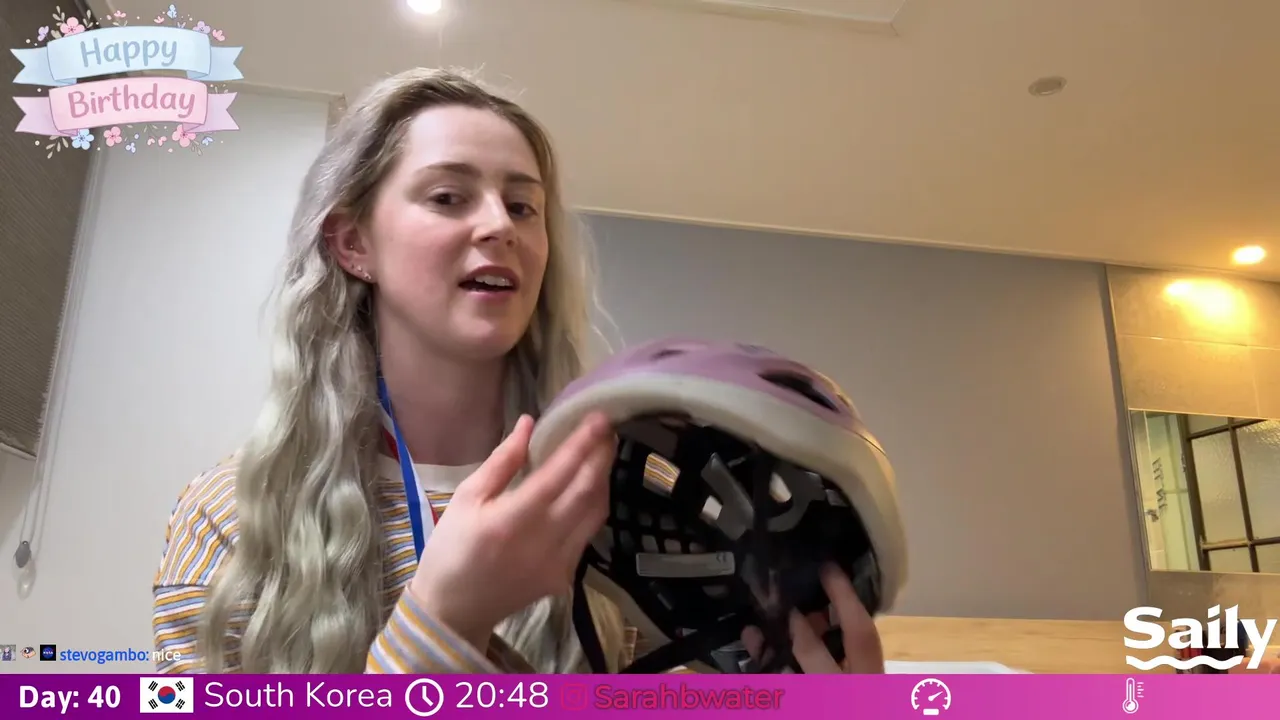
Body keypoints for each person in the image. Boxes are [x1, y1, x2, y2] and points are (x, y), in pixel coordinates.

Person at [152, 67, 885, 675]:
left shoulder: (624, 501)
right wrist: (442, 623)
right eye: (448, 197)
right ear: (353, 244)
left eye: (523, 205)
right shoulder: (232, 519)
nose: (500, 225)